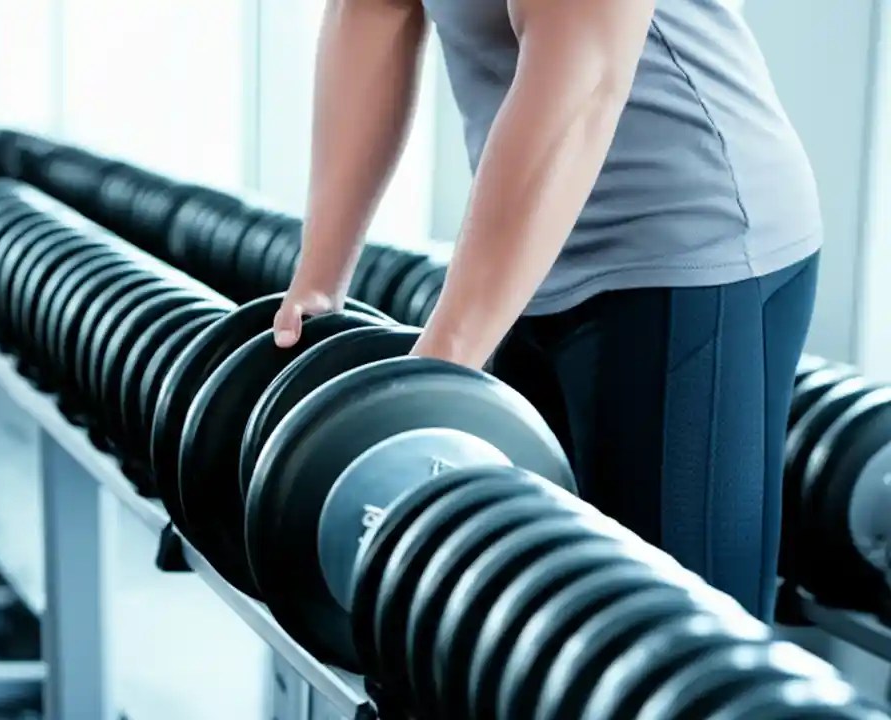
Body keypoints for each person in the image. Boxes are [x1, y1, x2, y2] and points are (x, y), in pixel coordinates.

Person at [272, 0, 821, 622]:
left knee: (666, 634)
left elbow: (580, 87)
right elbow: (371, 12)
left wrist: (441, 373)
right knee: (532, 614)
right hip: (529, 256)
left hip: (683, 247)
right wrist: (320, 276)